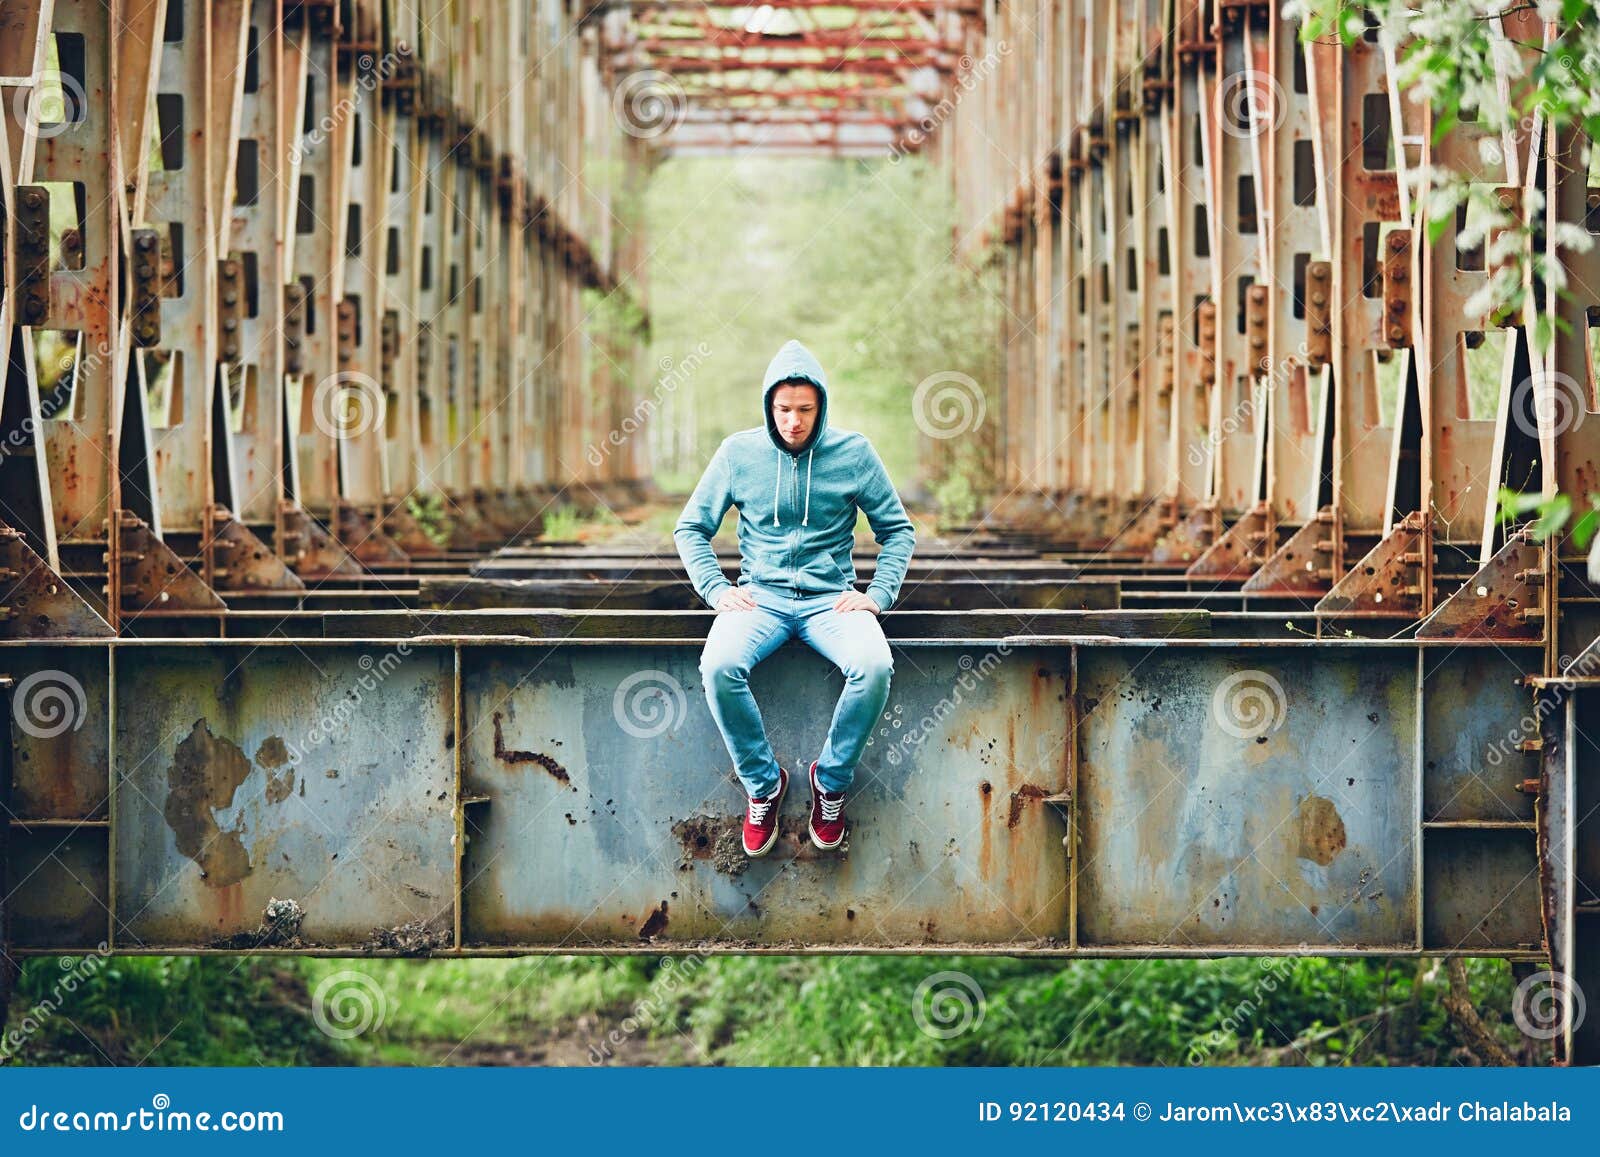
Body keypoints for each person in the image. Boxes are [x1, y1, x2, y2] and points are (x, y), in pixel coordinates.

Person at [674, 338, 917, 857]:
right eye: (783, 409)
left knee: (874, 664)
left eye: (805, 410)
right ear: (769, 406)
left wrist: (877, 595)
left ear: (821, 406)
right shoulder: (738, 454)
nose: (793, 421)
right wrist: (717, 590)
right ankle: (763, 785)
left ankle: (830, 782)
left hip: (831, 602)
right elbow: (690, 527)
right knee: (718, 664)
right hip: (759, 600)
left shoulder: (854, 454)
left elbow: (898, 530)